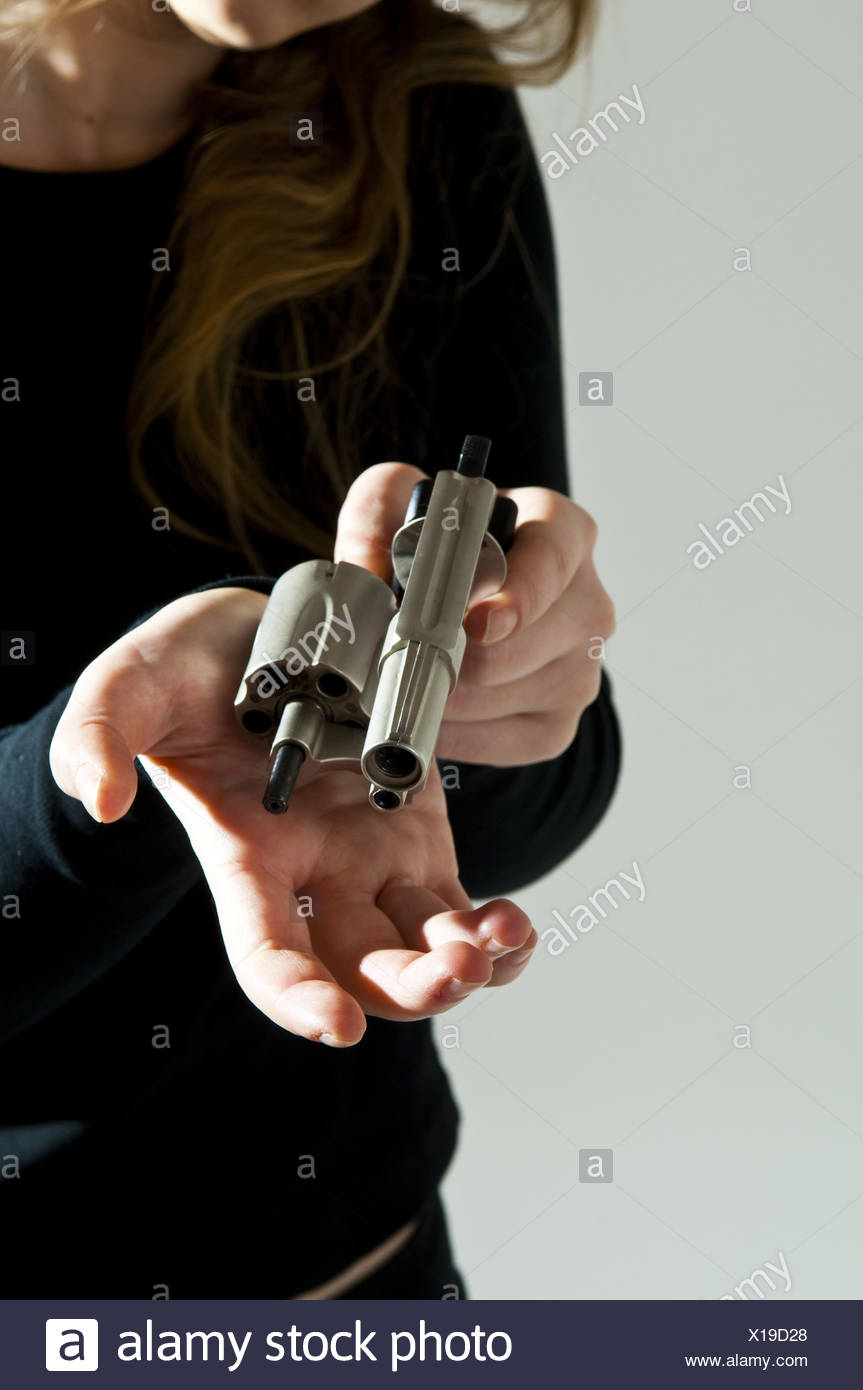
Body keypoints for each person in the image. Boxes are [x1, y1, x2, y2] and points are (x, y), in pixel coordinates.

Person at [0, 0, 620, 1298]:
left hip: (353, 1278)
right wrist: (121, 771)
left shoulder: (414, 112)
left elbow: (520, 802)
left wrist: (500, 702)